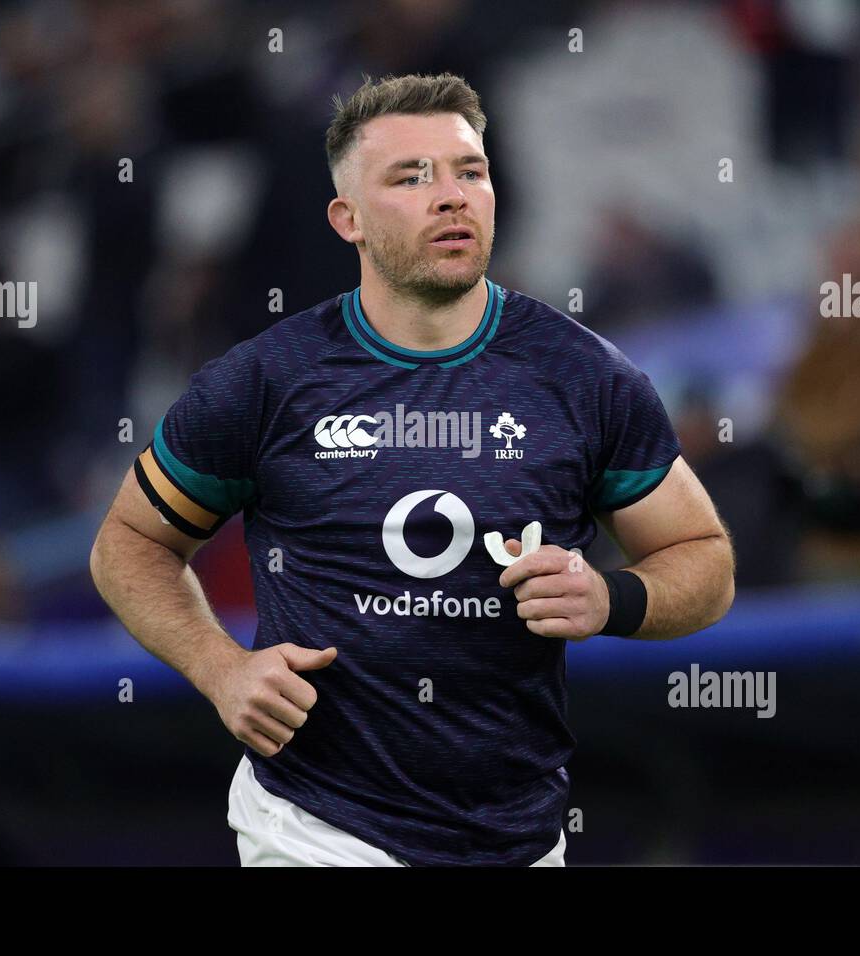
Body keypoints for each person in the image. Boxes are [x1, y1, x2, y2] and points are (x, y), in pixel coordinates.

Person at [89, 72, 735, 867]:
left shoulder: (587, 378)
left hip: (520, 838)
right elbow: (128, 542)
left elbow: (706, 561)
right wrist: (221, 668)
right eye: (411, 176)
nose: (452, 196)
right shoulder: (266, 381)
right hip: (315, 828)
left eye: (470, 171)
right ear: (346, 218)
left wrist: (610, 595)